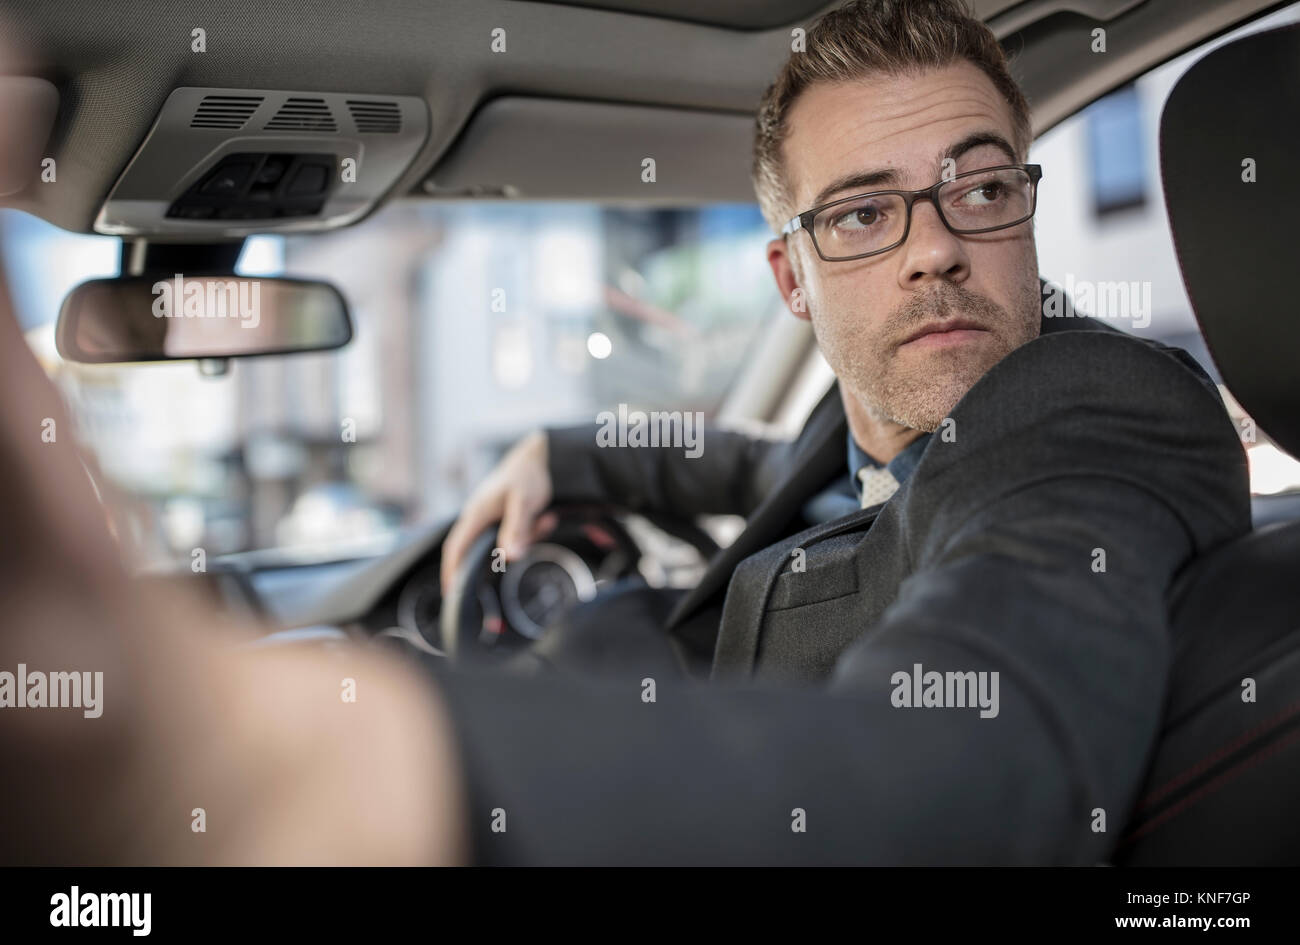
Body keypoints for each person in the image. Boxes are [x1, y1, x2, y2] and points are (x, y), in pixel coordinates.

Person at [430, 0, 1250, 864]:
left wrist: (438, 774)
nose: (934, 249)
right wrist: (555, 454)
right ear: (793, 280)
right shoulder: (864, 406)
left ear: (1025, 210)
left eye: (980, 189)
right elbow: (753, 464)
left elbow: (966, 754)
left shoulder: (1098, 409)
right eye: (862, 214)